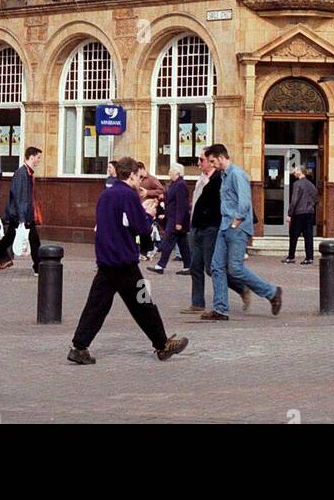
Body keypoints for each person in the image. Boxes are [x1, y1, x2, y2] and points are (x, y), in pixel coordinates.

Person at [67, 157, 189, 365]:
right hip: (124, 261)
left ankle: (79, 346)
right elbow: (140, 227)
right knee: (144, 302)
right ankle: (162, 344)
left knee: (96, 306)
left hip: (106, 259)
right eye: (139, 177)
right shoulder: (128, 195)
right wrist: (149, 214)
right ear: (131, 175)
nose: (140, 181)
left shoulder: (106, 194)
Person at [204, 144, 282, 321]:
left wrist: (236, 222)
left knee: (235, 268)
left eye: (213, 161)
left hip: (235, 227)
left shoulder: (237, 174)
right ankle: (220, 310)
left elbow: (245, 202)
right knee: (216, 268)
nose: (212, 165)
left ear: (221, 157)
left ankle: (272, 293)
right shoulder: (224, 176)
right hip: (224, 226)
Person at [182, 150, 248, 315]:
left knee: (213, 267)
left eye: (202, 160)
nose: (199, 163)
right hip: (197, 226)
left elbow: (237, 202)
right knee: (195, 265)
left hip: (213, 227)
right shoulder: (203, 179)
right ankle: (198, 303)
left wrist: (234, 224)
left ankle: (240, 288)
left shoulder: (221, 178)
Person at [0, 146, 42, 274]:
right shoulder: (22, 173)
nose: (39, 160)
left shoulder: (27, 173)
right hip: (21, 215)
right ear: (31, 157)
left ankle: (38, 267)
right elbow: (19, 197)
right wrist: (23, 218)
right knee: (20, 240)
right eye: (38, 157)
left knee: (27, 239)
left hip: (22, 214)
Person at [151, 164, 191, 274]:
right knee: (183, 243)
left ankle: (160, 265)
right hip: (172, 217)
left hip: (176, 219)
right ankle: (188, 266)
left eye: (170, 171)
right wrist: (163, 196)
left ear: (177, 173)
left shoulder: (181, 185)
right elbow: (171, 197)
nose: (169, 173)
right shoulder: (174, 184)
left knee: (168, 240)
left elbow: (181, 205)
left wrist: (179, 222)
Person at [284, 165, 319, 264]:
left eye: (295, 171)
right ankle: (309, 258)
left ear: (300, 172)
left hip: (299, 213)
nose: (294, 173)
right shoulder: (311, 185)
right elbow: (316, 199)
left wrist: (289, 214)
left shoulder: (297, 184)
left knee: (293, 235)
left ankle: (291, 257)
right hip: (309, 212)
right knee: (308, 236)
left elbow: (294, 200)